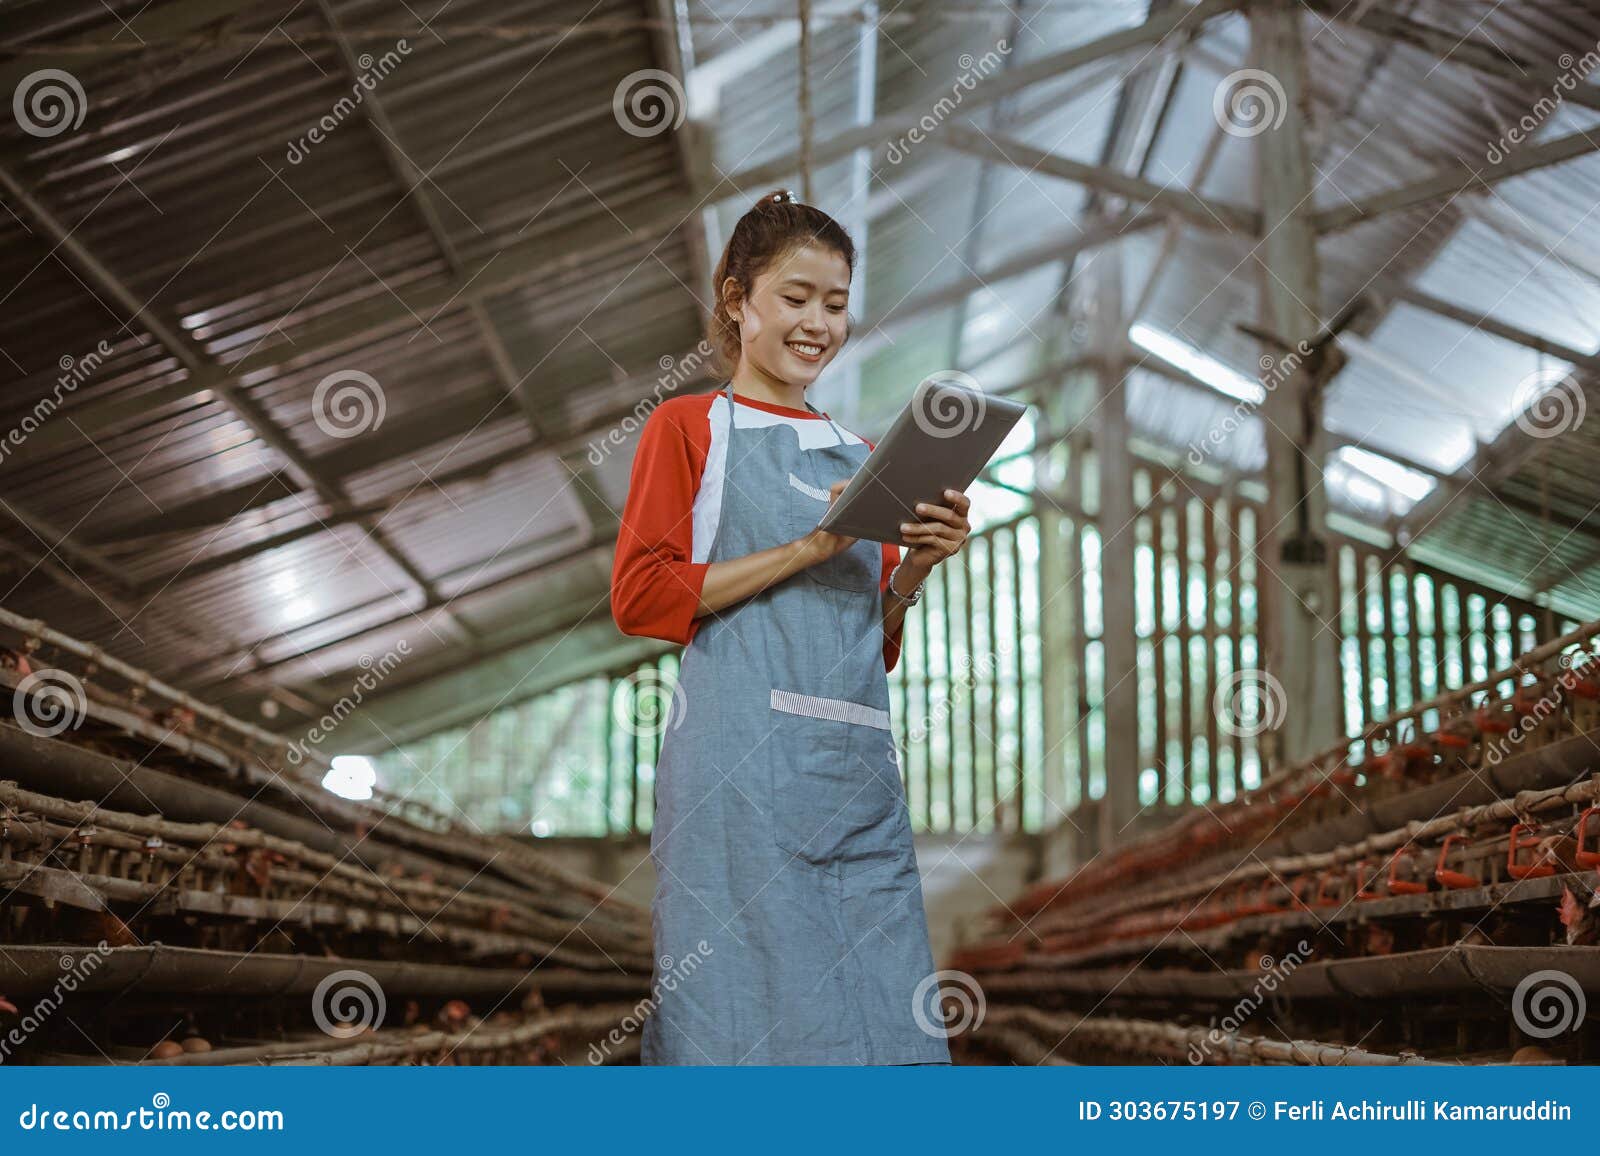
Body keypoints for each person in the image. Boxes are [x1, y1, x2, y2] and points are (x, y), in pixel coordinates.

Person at [611, 188, 972, 1065]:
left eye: (837, 304)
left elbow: (869, 639)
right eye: (796, 298)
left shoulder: (863, 457)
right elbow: (642, 595)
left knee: (881, 1026)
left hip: (851, 778)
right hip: (736, 785)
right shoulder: (688, 428)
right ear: (738, 302)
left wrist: (920, 561)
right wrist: (812, 545)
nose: (818, 323)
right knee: (736, 1023)